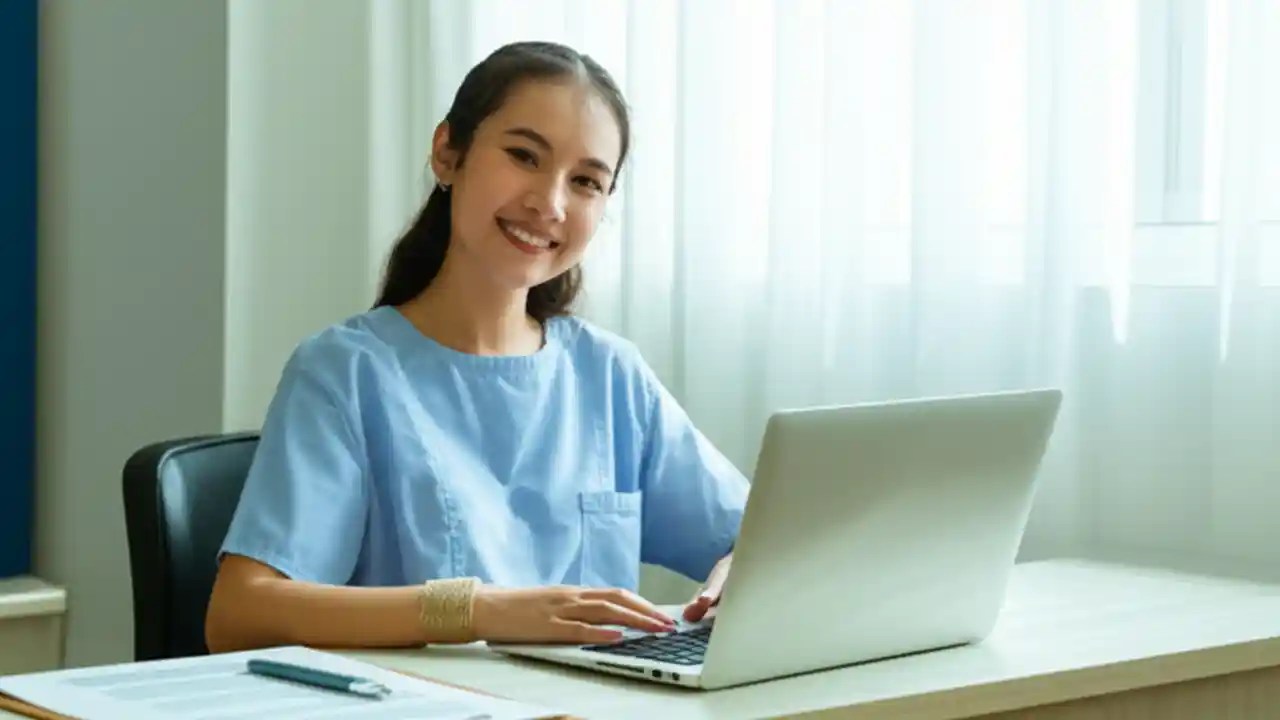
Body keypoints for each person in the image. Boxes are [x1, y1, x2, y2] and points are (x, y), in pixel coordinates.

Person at [205, 41, 748, 653]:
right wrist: (479, 610)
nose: (550, 202)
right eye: (523, 155)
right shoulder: (346, 373)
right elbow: (241, 613)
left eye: (587, 182)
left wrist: (745, 577)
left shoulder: (611, 374)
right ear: (447, 152)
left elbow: (766, 537)